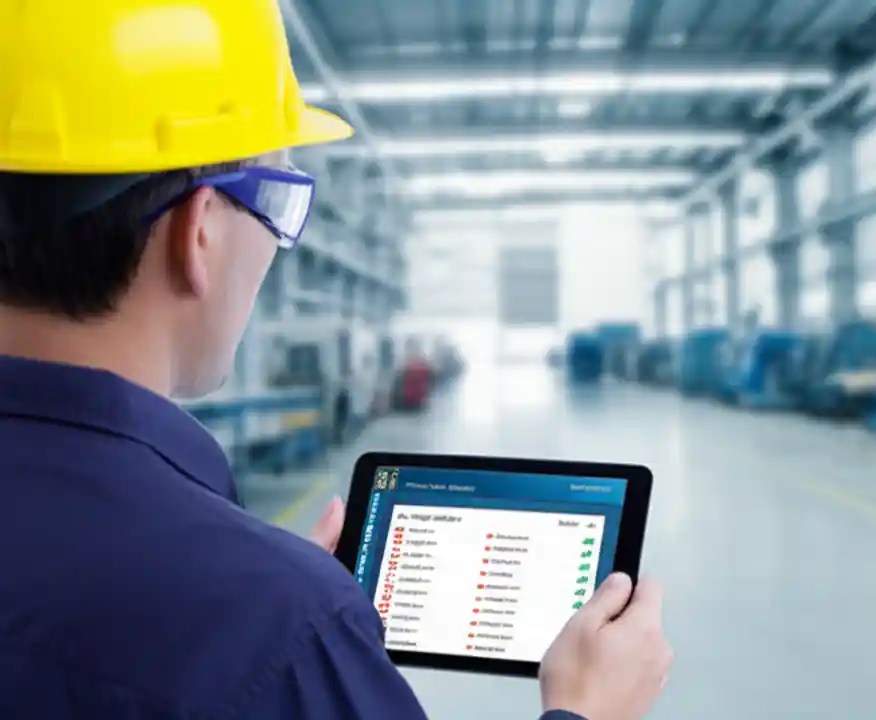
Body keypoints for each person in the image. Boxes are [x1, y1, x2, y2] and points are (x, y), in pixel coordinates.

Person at [0, 2, 673, 719]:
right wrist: (585, 711)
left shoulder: (269, 613)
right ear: (199, 234)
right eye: (278, 204)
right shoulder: (280, 631)